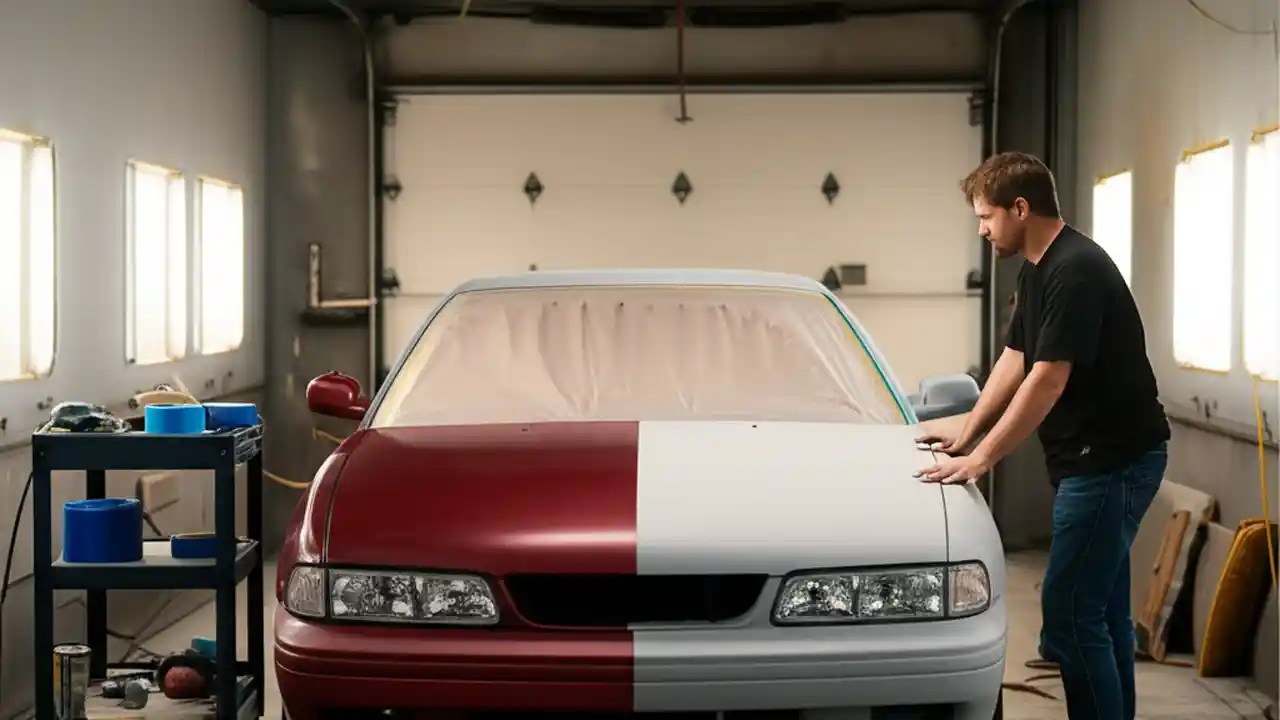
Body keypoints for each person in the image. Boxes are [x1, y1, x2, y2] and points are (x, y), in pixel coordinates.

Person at [914, 151, 1171, 720]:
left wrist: (982, 459)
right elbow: (1016, 358)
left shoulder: (1075, 269)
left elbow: (1049, 379)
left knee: (1071, 613)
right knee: (1100, 612)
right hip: (1101, 460)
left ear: (1020, 209)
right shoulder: (1040, 268)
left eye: (986, 216)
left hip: (1111, 464)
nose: (982, 230)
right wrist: (968, 429)